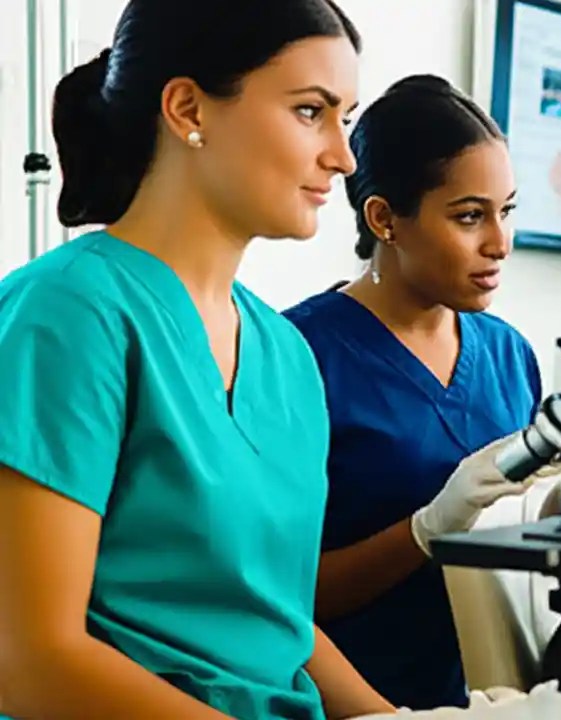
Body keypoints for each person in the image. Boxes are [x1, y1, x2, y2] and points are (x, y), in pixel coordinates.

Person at [0, 1, 402, 718]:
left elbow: (271, 623)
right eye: (311, 111)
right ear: (188, 109)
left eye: (346, 119)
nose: (343, 158)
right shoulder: (68, 315)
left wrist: (397, 719)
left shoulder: (287, 354)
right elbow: (32, 663)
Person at [284, 75, 540, 711]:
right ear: (383, 218)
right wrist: (423, 531)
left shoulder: (510, 355)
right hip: (354, 702)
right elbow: (277, 596)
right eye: (469, 216)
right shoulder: (298, 357)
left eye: (507, 211)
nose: (500, 243)